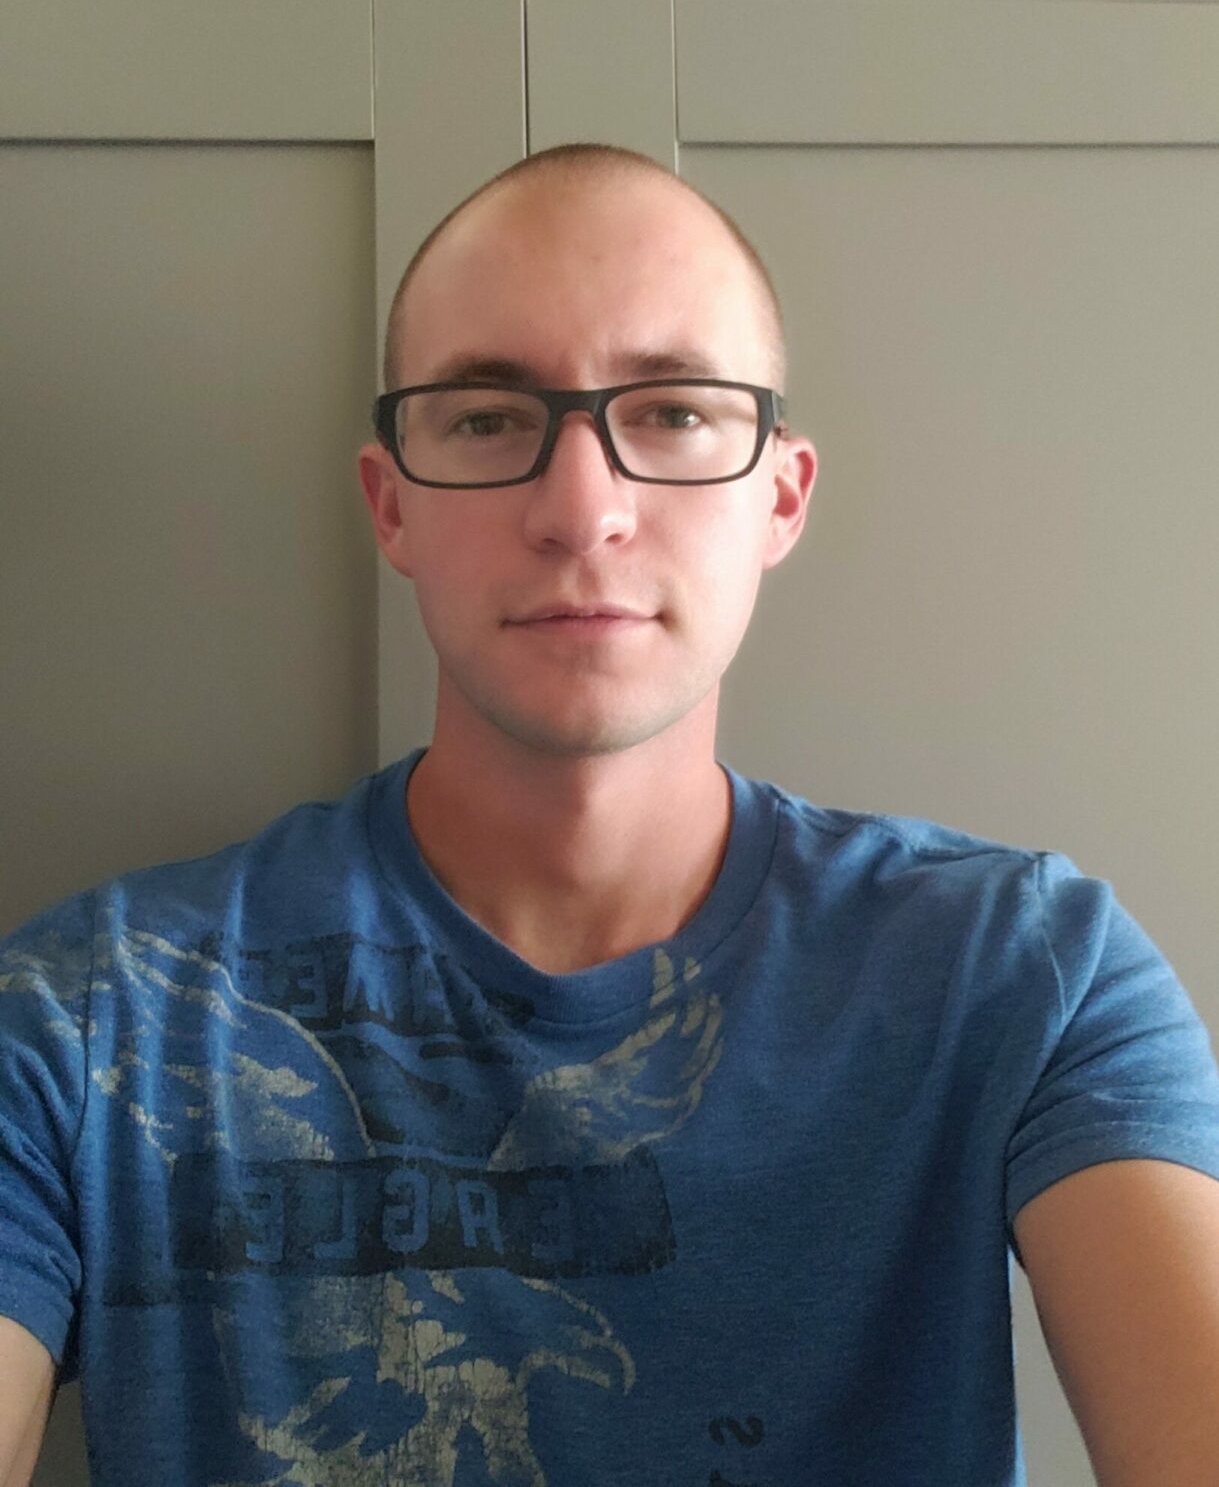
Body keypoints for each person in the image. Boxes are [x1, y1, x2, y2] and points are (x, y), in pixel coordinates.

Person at [2, 143, 1219, 1487]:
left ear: (780, 497)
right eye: (485, 420)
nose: (582, 512)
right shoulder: (92, 1015)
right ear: (391, 505)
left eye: (676, 414)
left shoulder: (1024, 973)